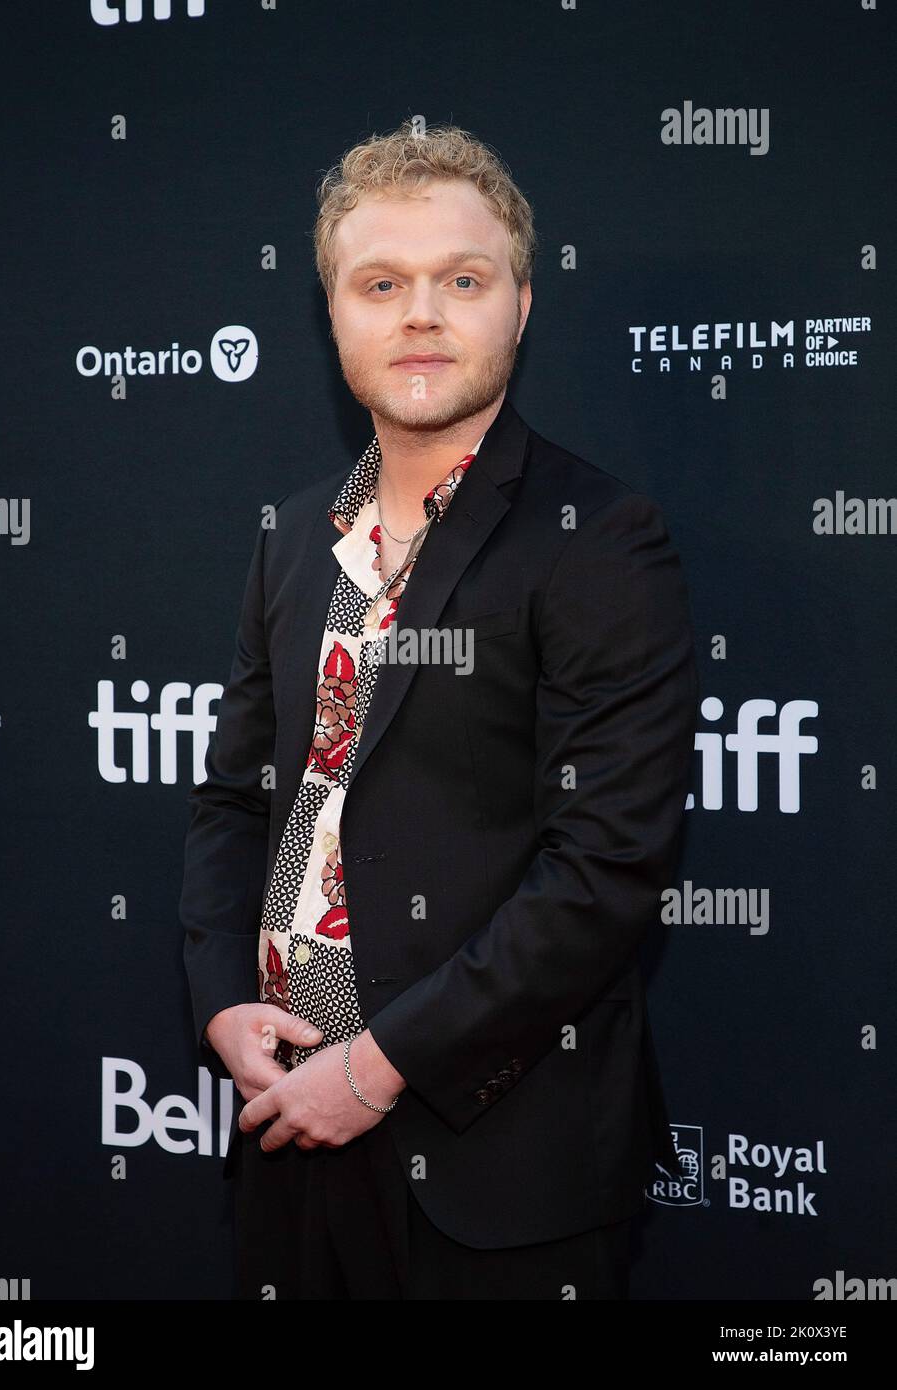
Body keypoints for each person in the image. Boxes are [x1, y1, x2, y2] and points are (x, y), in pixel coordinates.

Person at [178, 120, 698, 1300]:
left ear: (519, 305)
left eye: (461, 280)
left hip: (491, 1168)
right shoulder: (295, 537)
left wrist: (377, 1068)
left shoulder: (598, 540)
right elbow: (233, 797)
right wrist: (222, 1004)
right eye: (382, 284)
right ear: (334, 316)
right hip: (284, 1128)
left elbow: (604, 871)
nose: (421, 314)